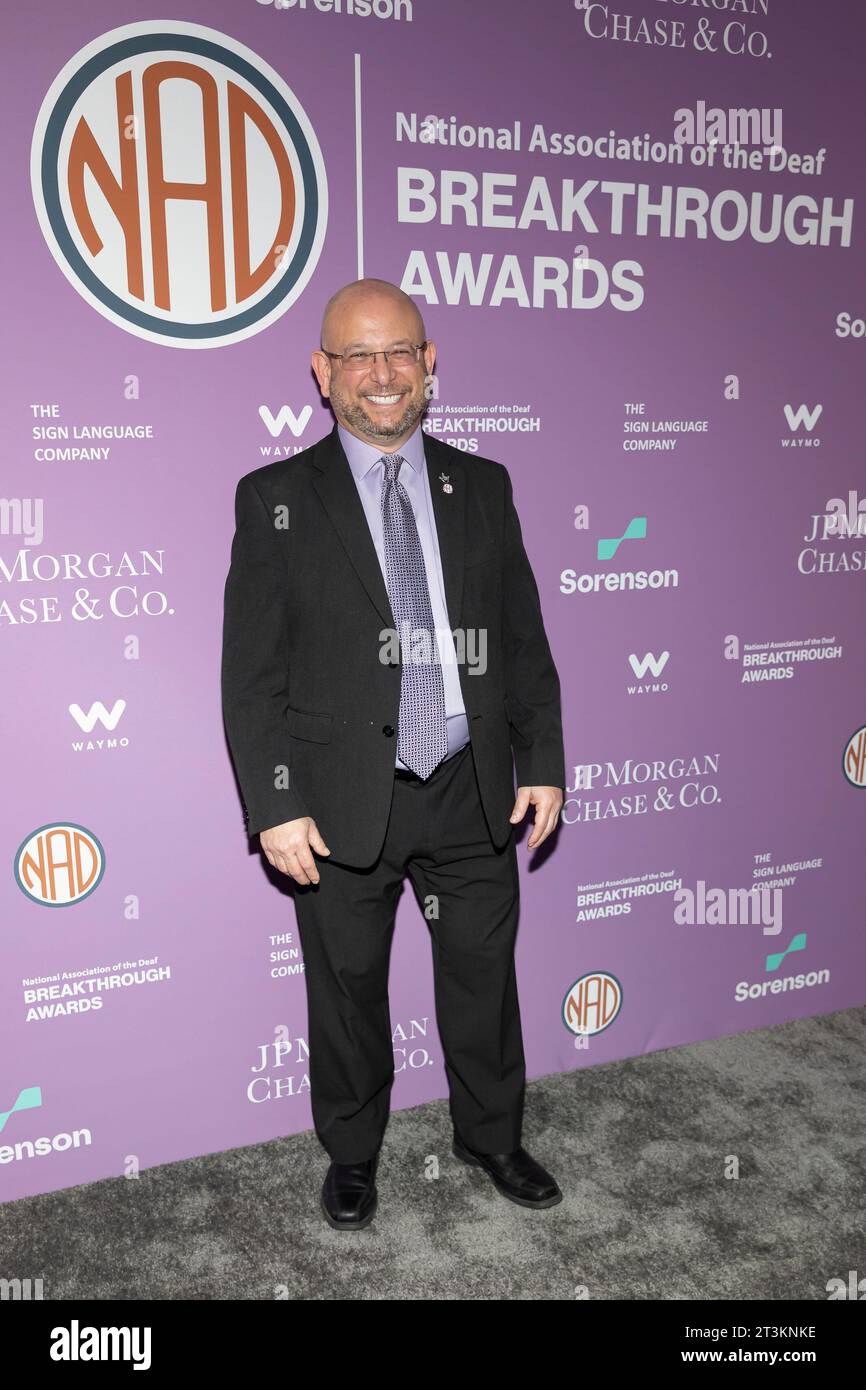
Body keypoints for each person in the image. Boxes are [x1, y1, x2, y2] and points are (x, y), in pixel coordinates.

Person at [221, 278, 565, 1229]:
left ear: (430, 362)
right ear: (324, 372)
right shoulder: (276, 499)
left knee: (482, 980)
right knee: (345, 991)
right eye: (358, 356)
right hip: (337, 802)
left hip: (470, 787)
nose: (382, 375)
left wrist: (541, 761)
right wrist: (274, 802)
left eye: (399, 352)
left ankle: (492, 1135)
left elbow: (524, 642)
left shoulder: (484, 485)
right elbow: (251, 678)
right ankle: (353, 1153)